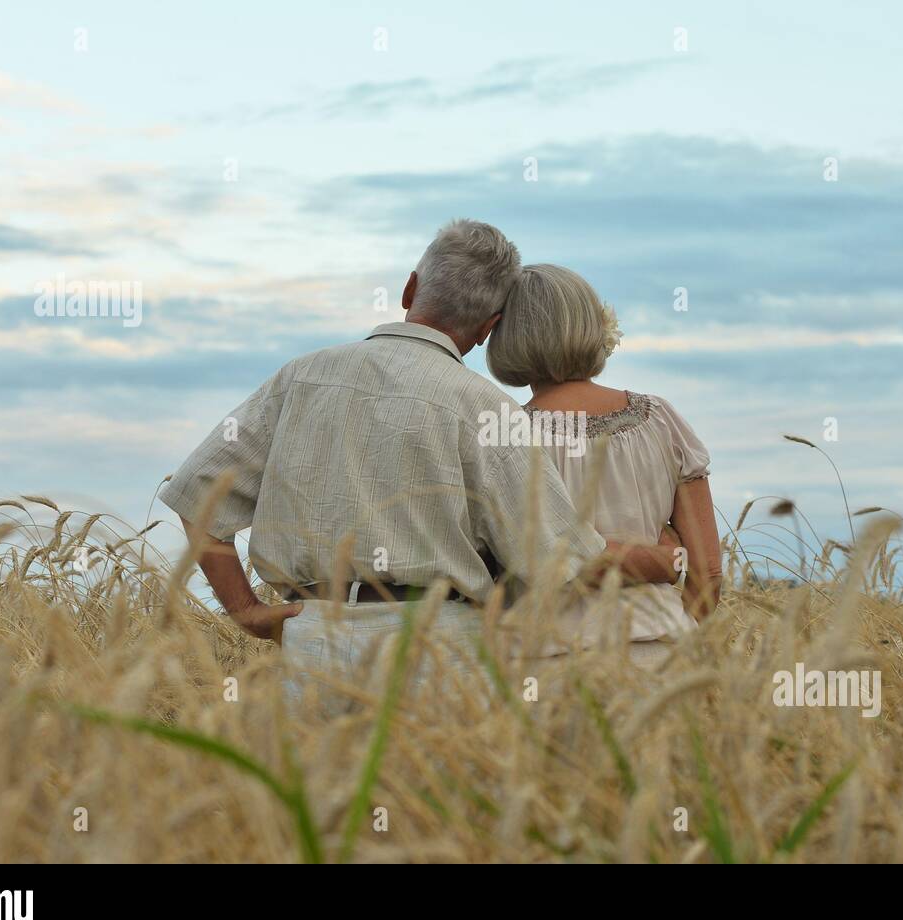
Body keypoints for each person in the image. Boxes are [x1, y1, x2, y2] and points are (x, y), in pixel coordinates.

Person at [157, 221, 678, 705]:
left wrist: (245, 610)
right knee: (431, 804)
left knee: (315, 803)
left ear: (409, 289)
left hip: (311, 640)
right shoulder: (485, 407)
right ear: (488, 328)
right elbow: (559, 556)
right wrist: (664, 558)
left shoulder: (302, 377)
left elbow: (198, 494)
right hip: (437, 646)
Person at [486, 263, 722, 667]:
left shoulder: (504, 435)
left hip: (548, 658)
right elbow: (707, 572)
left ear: (507, 337)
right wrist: (674, 630)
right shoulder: (661, 419)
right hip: (663, 654)